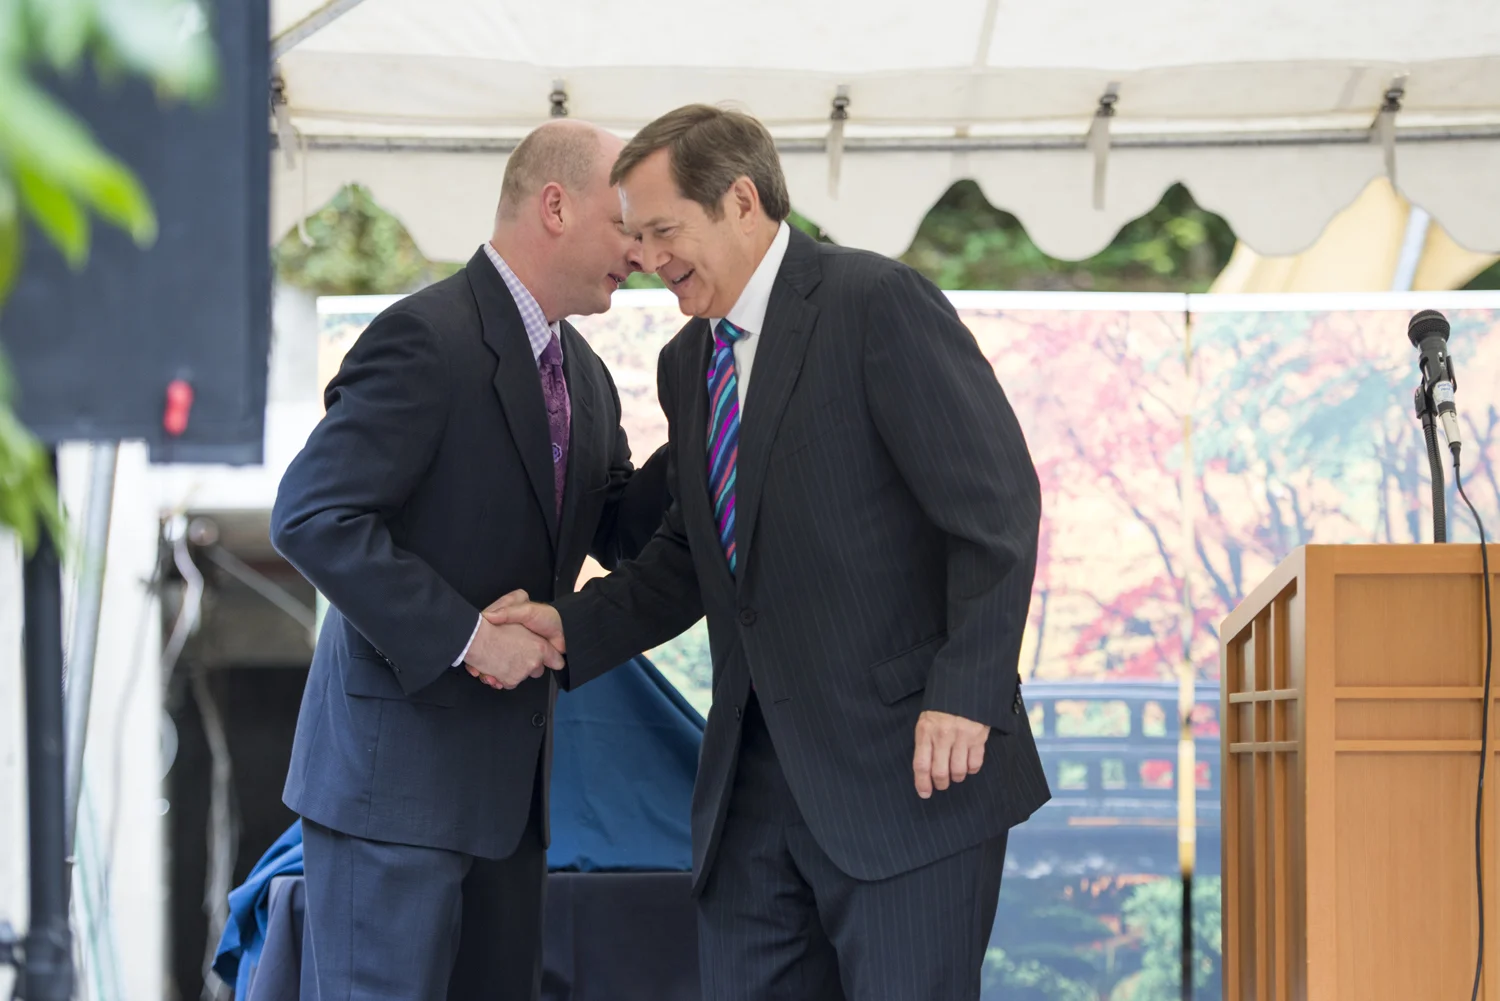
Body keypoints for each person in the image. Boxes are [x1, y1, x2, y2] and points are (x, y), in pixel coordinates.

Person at [487, 105, 1050, 1000]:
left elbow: (996, 510)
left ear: (742, 201)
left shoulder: (876, 303)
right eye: (635, 236)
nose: (647, 258)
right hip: (751, 800)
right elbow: (690, 557)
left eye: (664, 230)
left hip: (909, 774)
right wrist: (565, 627)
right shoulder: (689, 364)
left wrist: (967, 696)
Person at [269, 119, 670, 1001]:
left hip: (510, 809)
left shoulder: (586, 374)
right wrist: (464, 636)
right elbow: (311, 515)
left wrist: (722, 406)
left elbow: (621, 532)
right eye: (625, 224)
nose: (640, 252)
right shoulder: (424, 337)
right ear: (555, 206)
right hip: (390, 797)